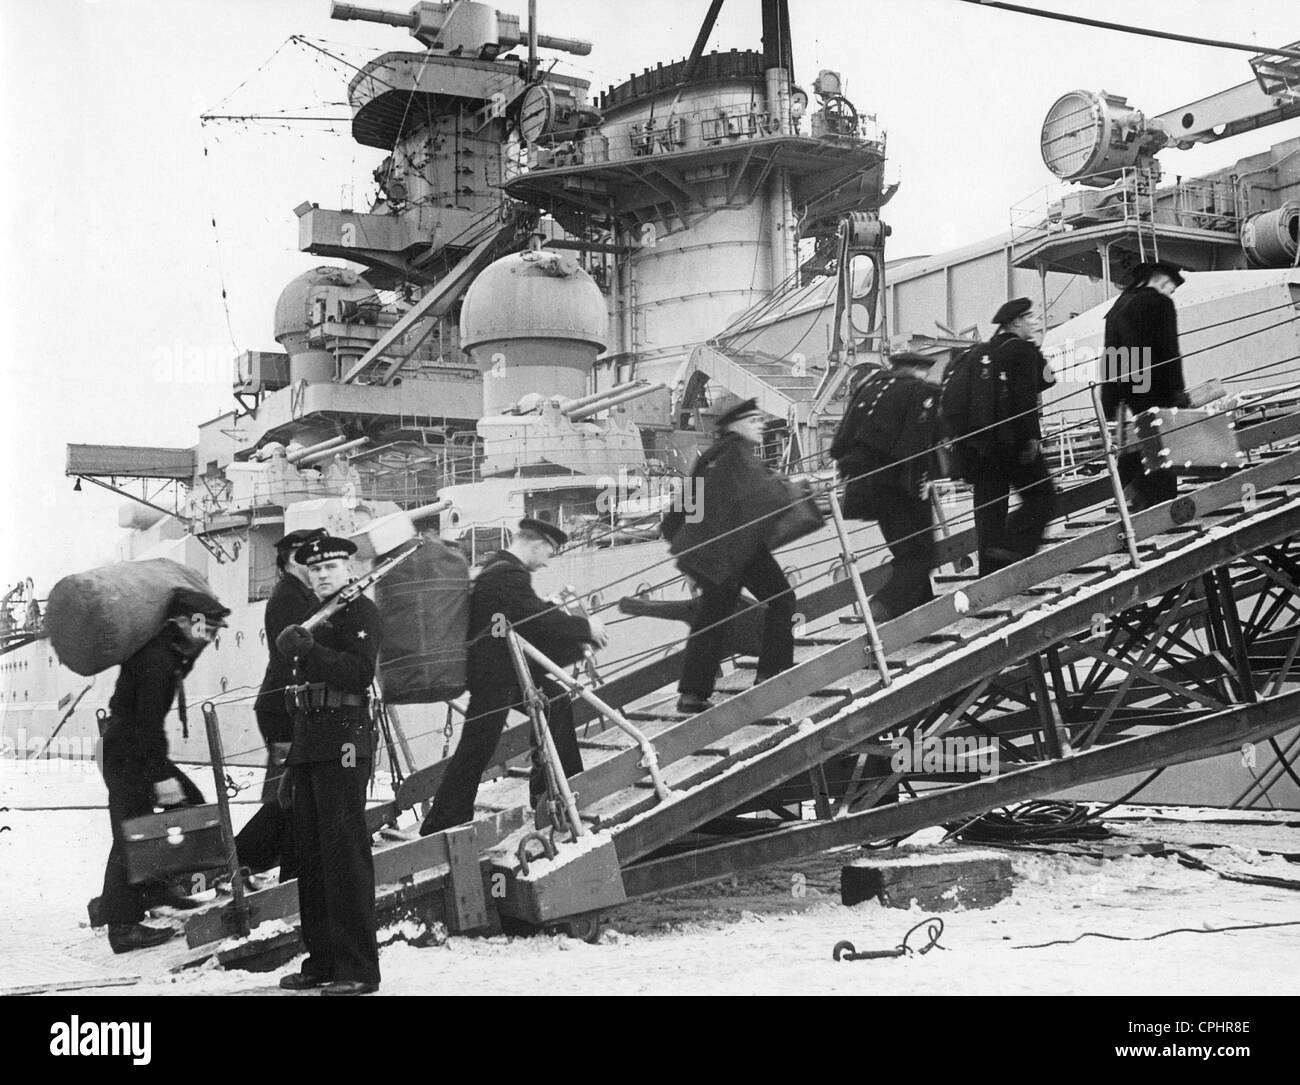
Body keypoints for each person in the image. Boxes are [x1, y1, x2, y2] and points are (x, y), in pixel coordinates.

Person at [418, 519, 607, 836]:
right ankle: (443, 824)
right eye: (549, 552)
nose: (547, 561)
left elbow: (524, 612)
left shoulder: (499, 568)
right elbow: (536, 618)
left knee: (555, 703)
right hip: (497, 677)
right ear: (536, 545)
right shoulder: (507, 574)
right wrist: (586, 628)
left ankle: (555, 789)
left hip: (504, 672)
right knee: (476, 750)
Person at [275, 535, 383, 996]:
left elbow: (358, 673)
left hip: (344, 740)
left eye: (331, 567)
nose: (322, 575)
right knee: (312, 859)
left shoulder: (359, 613)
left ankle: (359, 969)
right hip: (312, 740)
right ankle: (322, 962)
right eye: (315, 569)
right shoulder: (315, 615)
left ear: (348, 569)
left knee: (344, 858)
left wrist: (308, 651)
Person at [93, 591, 230, 953]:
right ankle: (121, 924)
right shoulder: (159, 658)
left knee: (185, 807)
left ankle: (152, 890)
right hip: (129, 751)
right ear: (181, 621)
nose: (210, 634)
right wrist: (160, 775)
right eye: (205, 625)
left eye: (215, 628)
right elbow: (148, 724)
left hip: (126, 746)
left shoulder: (167, 650)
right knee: (132, 833)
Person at [670, 398, 799, 713]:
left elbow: (684, 507)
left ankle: (692, 694)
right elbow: (768, 495)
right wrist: (799, 491)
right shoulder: (739, 455)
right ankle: (772, 674)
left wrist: (685, 549)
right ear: (735, 425)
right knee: (782, 599)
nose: (761, 425)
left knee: (712, 618)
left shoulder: (711, 457)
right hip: (736, 550)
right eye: (754, 420)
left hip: (716, 552)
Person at [233, 527, 326, 883]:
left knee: (289, 791)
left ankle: (255, 861)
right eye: (310, 555)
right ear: (292, 557)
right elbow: (293, 655)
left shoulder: (299, 592)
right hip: (283, 708)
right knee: (285, 794)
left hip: (285, 704)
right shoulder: (289, 597)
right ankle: (242, 859)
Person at [831, 354, 942, 620]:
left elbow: (839, 445)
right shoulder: (920, 390)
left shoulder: (867, 388)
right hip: (900, 484)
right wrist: (922, 482)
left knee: (905, 552)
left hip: (864, 486)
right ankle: (882, 606)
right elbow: (916, 443)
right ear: (918, 370)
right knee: (922, 555)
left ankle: (923, 618)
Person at [964, 298, 1056, 574]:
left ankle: (988, 573)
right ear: (1016, 322)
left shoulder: (981, 352)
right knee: (1043, 497)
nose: (1036, 322)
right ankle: (1012, 547)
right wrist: (1031, 438)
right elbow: (1034, 389)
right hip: (1015, 442)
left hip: (982, 445)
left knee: (989, 511)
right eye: (1031, 318)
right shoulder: (1021, 351)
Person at [1101, 259, 1190, 509]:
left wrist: (1109, 397)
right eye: (1171, 288)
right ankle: (1160, 507)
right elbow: (1169, 349)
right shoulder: (1160, 303)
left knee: (1137, 444)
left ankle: (1127, 491)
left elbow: (1111, 353)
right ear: (1162, 281)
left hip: (1129, 388)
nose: (1171, 293)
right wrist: (1177, 390)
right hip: (1156, 387)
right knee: (1161, 449)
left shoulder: (1119, 306)